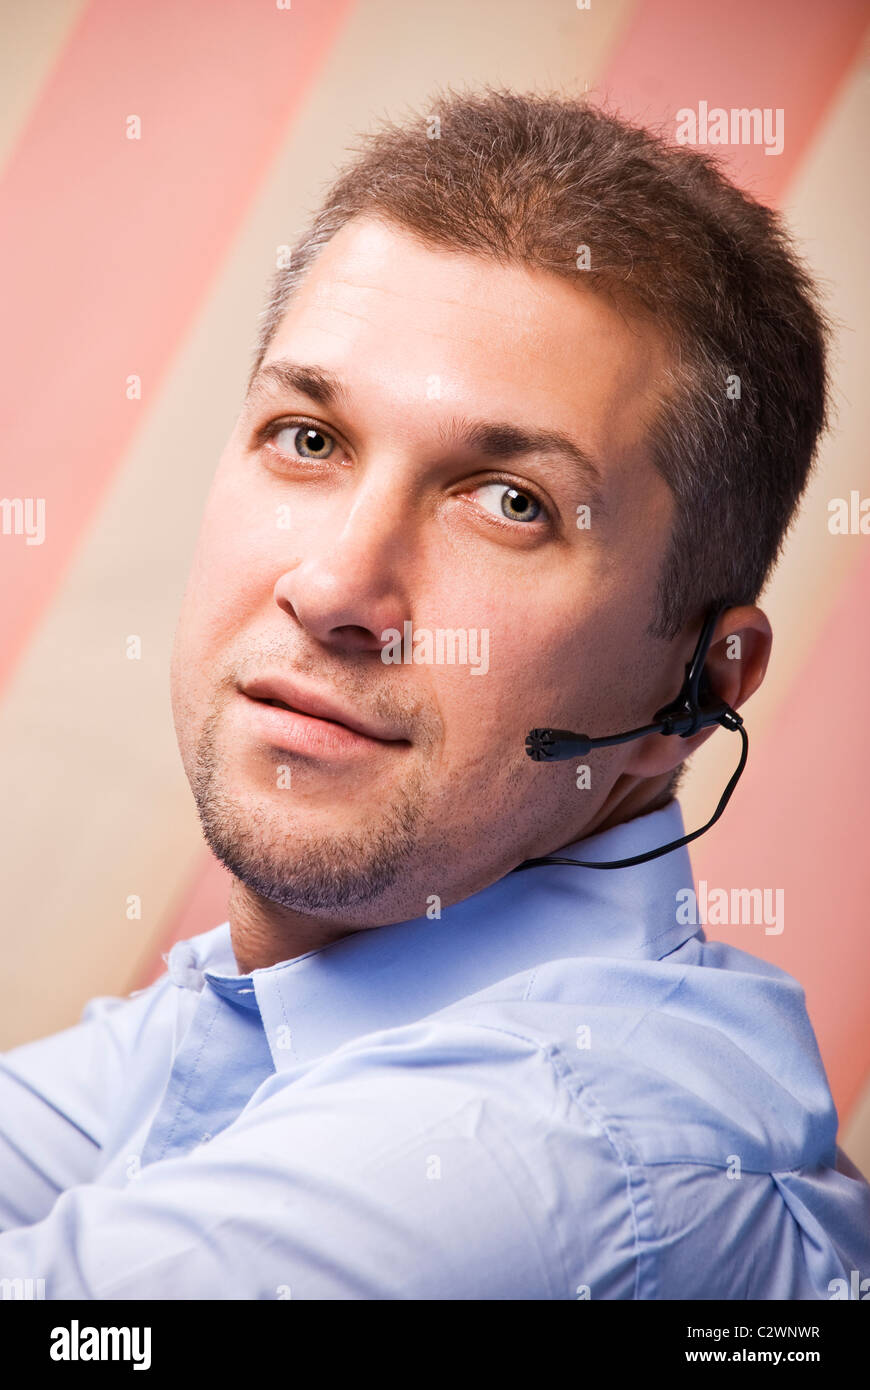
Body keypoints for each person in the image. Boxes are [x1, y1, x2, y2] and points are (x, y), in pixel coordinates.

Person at [1, 87, 868, 1300]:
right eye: (309, 437)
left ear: (697, 686)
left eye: (511, 502)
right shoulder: (308, 993)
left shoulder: (537, 1156)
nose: (337, 585)